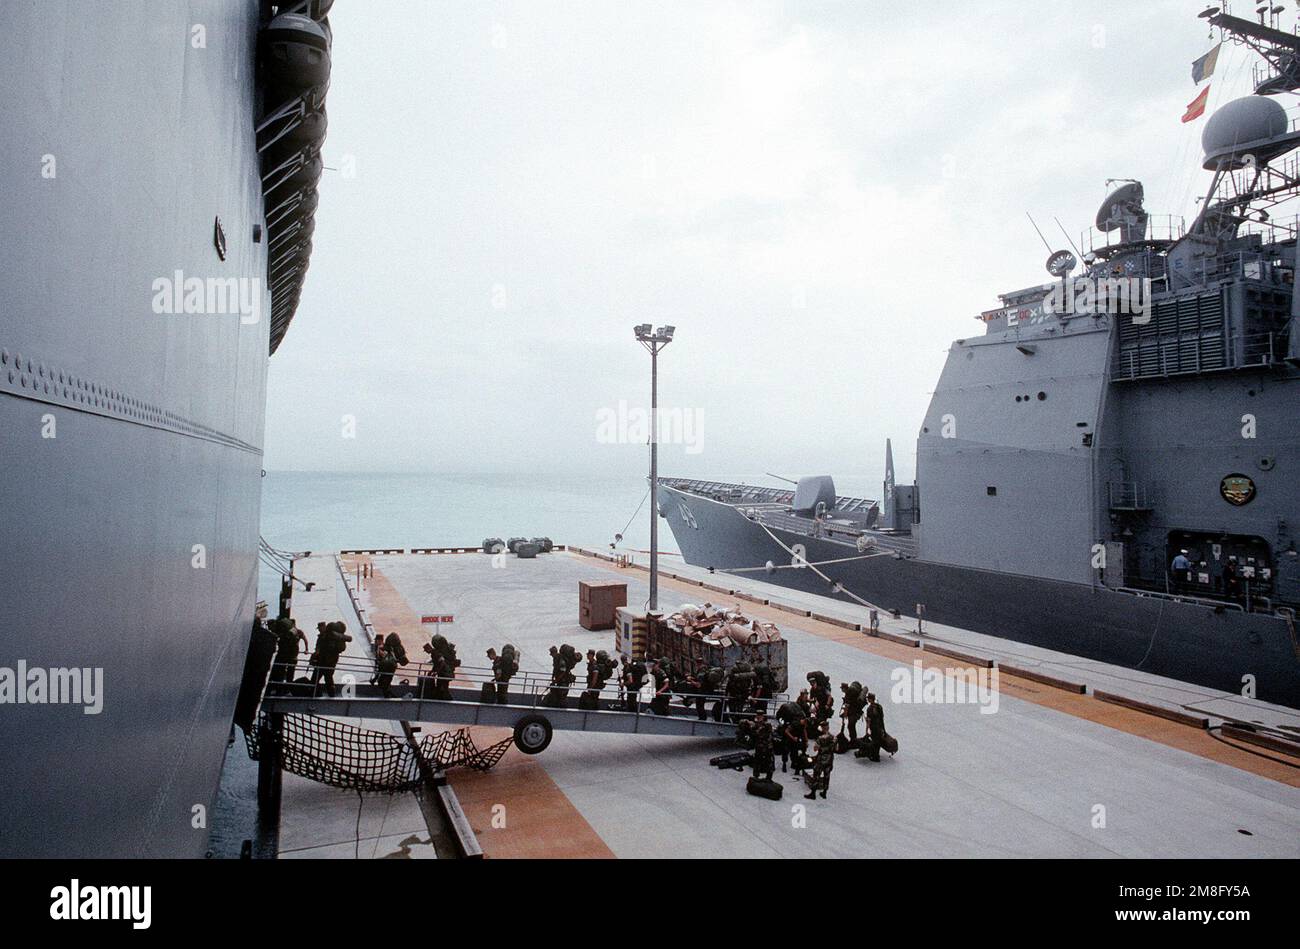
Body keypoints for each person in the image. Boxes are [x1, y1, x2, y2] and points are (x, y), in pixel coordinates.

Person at [310, 621, 351, 697]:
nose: (319, 630)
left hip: (324, 662)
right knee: (327, 679)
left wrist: (313, 658)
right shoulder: (330, 637)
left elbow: (318, 651)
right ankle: (328, 695)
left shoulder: (326, 637)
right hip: (330, 662)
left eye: (319, 628)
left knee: (318, 679)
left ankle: (320, 695)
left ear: (323, 627)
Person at [857, 692, 894, 762]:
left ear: (871, 699)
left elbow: (869, 720)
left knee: (875, 741)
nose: (867, 700)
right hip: (880, 726)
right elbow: (881, 717)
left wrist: (867, 728)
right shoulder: (879, 706)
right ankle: (876, 755)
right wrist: (883, 729)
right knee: (878, 741)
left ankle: (875, 756)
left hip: (874, 727)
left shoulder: (869, 709)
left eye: (868, 698)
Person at [805, 721, 835, 800]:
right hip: (830, 760)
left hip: (821, 760)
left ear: (822, 728)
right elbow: (836, 748)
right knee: (826, 776)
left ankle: (813, 793)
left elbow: (815, 749)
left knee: (816, 775)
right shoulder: (833, 737)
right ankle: (824, 793)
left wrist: (820, 748)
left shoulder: (820, 738)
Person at [749, 711, 775, 781]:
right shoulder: (755, 725)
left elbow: (768, 734)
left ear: (763, 717)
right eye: (757, 716)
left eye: (760, 716)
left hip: (767, 746)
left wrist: (758, 731)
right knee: (757, 761)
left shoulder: (767, 724)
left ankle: (769, 777)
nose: (758, 717)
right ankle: (756, 776)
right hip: (759, 746)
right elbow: (752, 734)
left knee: (768, 761)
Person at [840, 681, 866, 747]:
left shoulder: (848, 694)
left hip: (854, 713)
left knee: (851, 726)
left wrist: (845, 714)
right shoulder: (850, 692)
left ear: (844, 688)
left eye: (842, 689)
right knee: (851, 725)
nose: (841, 690)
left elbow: (847, 705)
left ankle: (853, 740)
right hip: (856, 711)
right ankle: (853, 740)